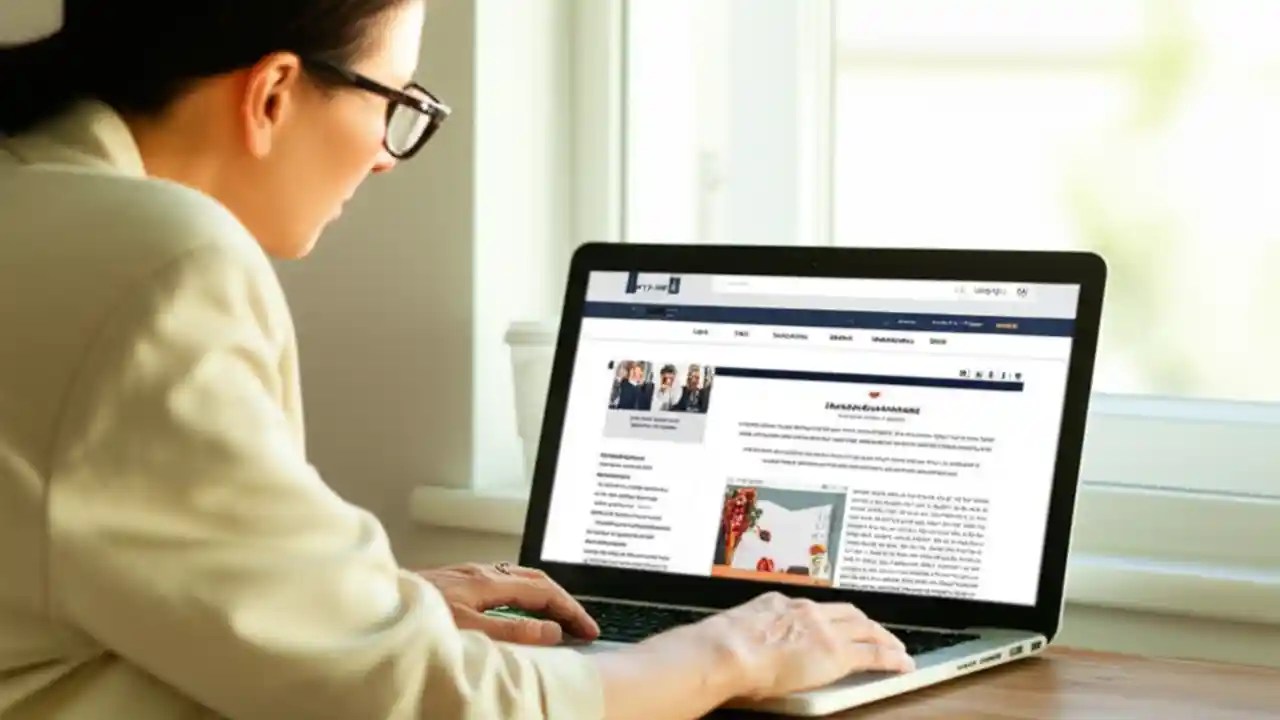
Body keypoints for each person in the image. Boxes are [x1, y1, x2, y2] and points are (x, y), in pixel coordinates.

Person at [0, 2, 913, 719]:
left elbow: (69, 575)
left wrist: (356, 605)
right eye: (395, 103)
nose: (388, 158)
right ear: (273, 92)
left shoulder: (39, 204)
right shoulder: (161, 260)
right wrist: (733, 651)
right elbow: (427, 702)